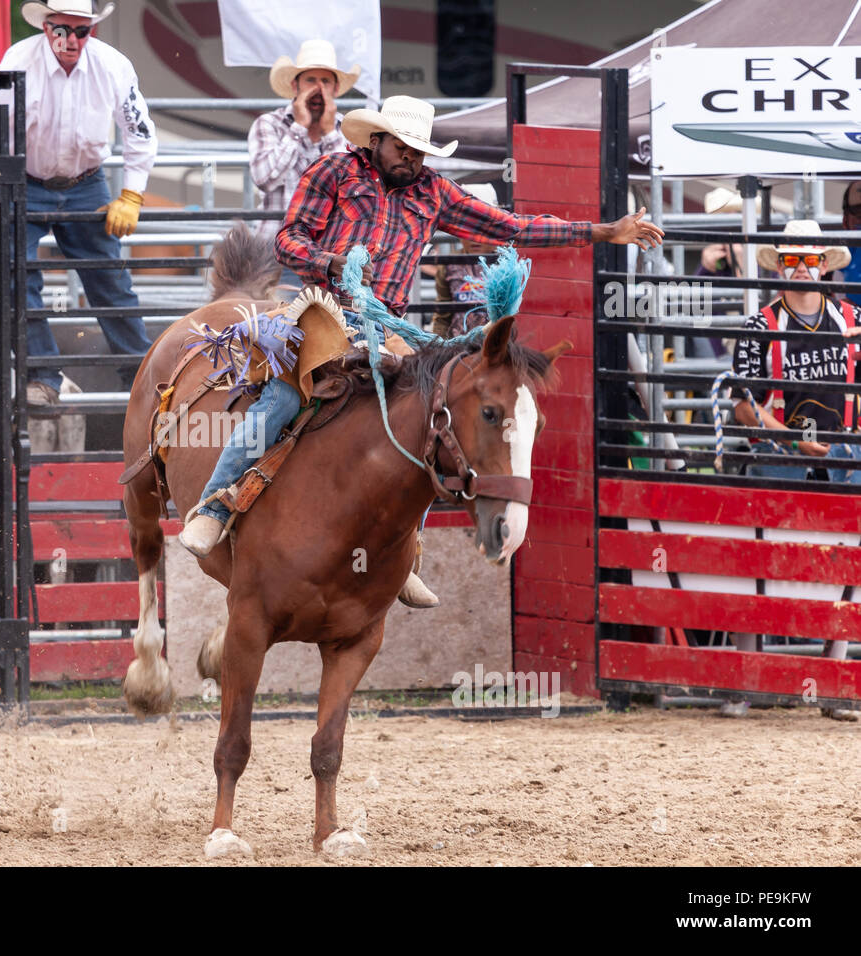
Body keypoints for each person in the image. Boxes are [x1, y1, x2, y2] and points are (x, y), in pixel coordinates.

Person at [179, 96, 664, 608]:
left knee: (430, 416)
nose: (411, 158)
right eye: (403, 147)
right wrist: (332, 262)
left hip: (385, 325)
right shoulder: (334, 173)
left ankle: (404, 550)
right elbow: (288, 241)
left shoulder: (434, 194)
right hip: (323, 312)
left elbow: (511, 228)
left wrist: (604, 231)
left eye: (419, 150)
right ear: (377, 141)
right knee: (280, 399)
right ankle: (214, 506)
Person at [0, 0, 155, 405]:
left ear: (90, 32)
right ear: (47, 28)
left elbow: (140, 131)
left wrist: (132, 193)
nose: (72, 40)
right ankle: (42, 374)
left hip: (85, 181)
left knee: (110, 279)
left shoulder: (112, 66)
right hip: (25, 181)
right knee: (14, 273)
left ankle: (140, 374)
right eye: (63, 30)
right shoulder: (17, 61)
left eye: (81, 31)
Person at [722, 219, 861, 721]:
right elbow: (742, 405)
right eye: (791, 260)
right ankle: (744, 682)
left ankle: (833, 683)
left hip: (843, 461)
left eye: (809, 259)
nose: (801, 269)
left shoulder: (852, 319)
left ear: (824, 266)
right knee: (758, 564)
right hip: (777, 460)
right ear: (779, 265)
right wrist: (791, 438)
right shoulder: (760, 326)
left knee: (845, 567)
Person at [247, 38, 358, 282]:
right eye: (310, 80)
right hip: (275, 250)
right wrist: (298, 127)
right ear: (295, 85)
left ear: (335, 89)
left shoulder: (349, 130)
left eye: (325, 81)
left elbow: (351, 188)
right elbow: (264, 179)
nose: (318, 89)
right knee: (275, 318)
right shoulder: (269, 124)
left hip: (331, 253)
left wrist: (330, 134)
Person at [430, 182, 500, 338]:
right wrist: (436, 347)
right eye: (468, 229)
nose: (474, 238)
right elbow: (443, 316)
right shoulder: (449, 266)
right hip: (459, 349)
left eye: (481, 229)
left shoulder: (505, 266)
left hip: (496, 349)